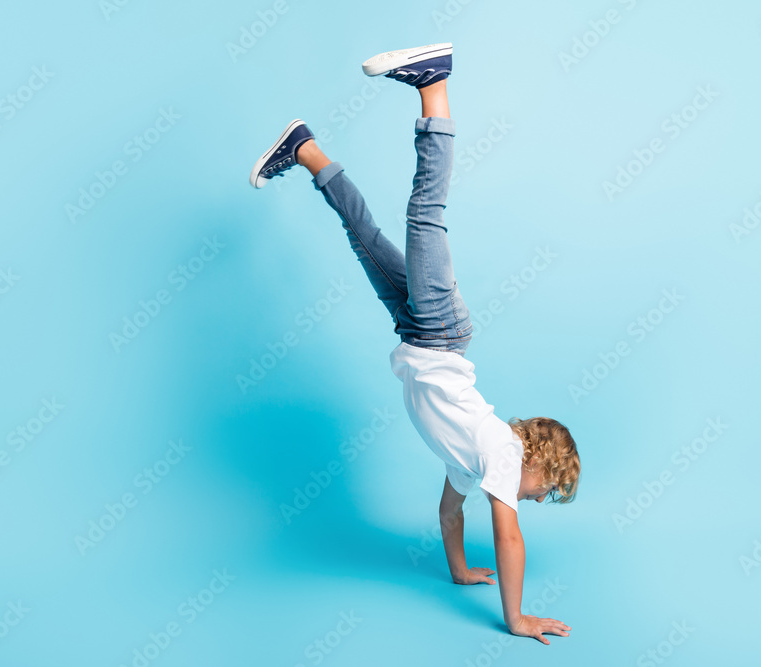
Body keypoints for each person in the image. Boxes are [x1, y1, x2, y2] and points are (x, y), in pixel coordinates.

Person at [249, 42, 581, 644]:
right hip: (439, 331)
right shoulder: (503, 455)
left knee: (363, 233)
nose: (535, 501)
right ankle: (435, 84)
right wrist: (517, 617)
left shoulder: (470, 462)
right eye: (546, 491)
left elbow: (450, 515)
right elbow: (508, 536)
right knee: (425, 213)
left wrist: (457, 571)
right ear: (540, 462)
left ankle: (303, 147)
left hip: (416, 331)